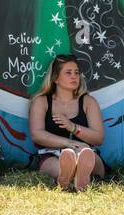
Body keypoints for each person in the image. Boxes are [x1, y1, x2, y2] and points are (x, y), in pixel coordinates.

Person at [28, 55, 105, 191]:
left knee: (90, 157)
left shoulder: (88, 101)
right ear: (55, 78)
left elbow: (98, 138)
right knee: (58, 165)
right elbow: (37, 135)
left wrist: (73, 127)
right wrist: (69, 143)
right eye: (68, 73)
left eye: (76, 72)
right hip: (51, 153)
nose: (74, 76)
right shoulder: (41, 101)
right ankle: (72, 176)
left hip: (85, 151)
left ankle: (78, 175)